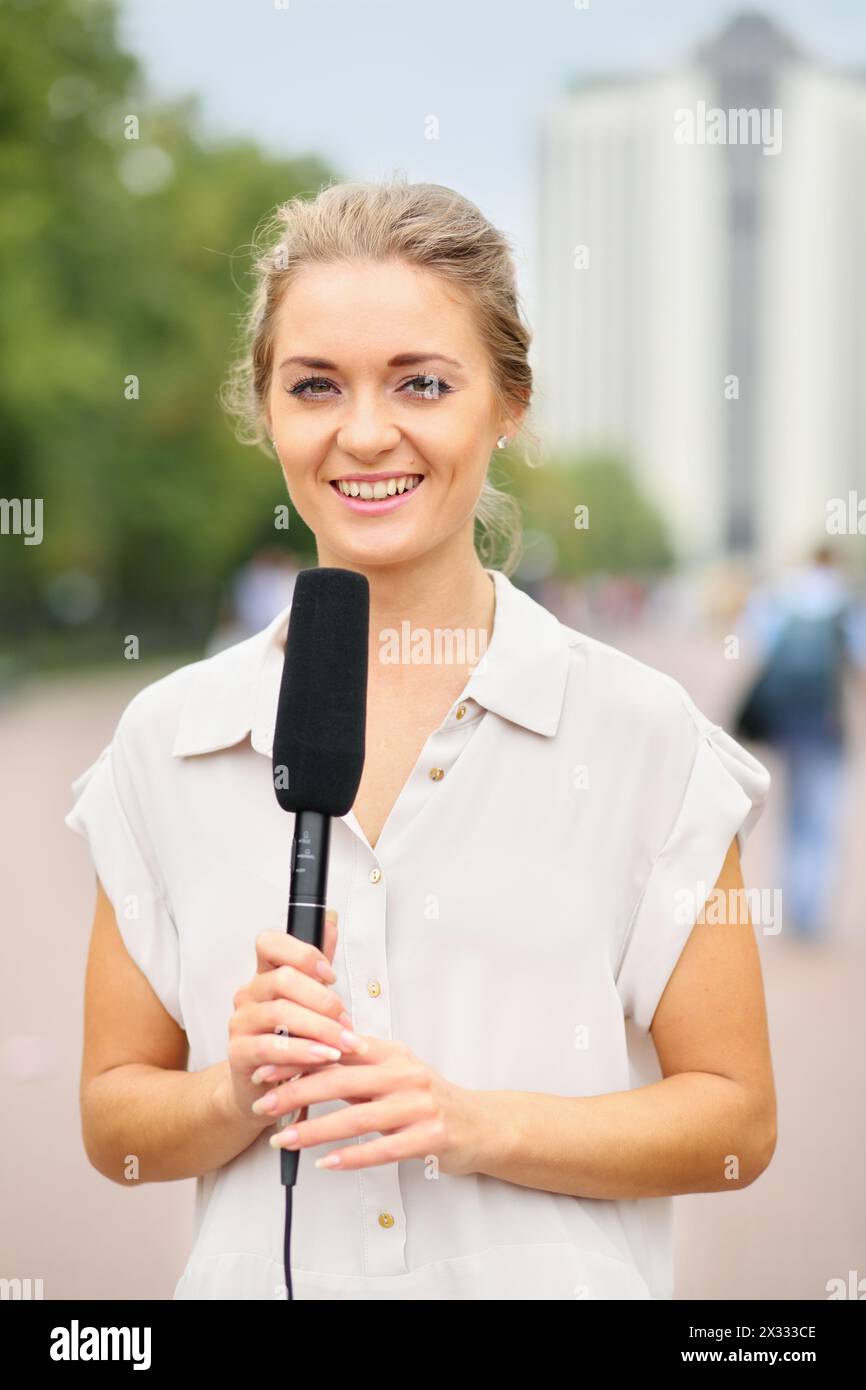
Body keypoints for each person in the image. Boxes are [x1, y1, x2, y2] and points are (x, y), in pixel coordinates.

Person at [65, 176, 776, 1301]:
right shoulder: (165, 744)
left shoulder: (642, 737)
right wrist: (231, 1092)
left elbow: (734, 1118)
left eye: (423, 383)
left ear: (507, 405)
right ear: (267, 409)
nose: (362, 432)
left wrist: (473, 1122)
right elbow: (117, 1124)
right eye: (313, 386)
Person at [737, 546, 866, 942]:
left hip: (787, 725)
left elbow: (753, 644)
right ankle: (813, 907)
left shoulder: (780, 597)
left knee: (792, 814)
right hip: (826, 726)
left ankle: (795, 902)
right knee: (823, 818)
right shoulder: (845, 603)